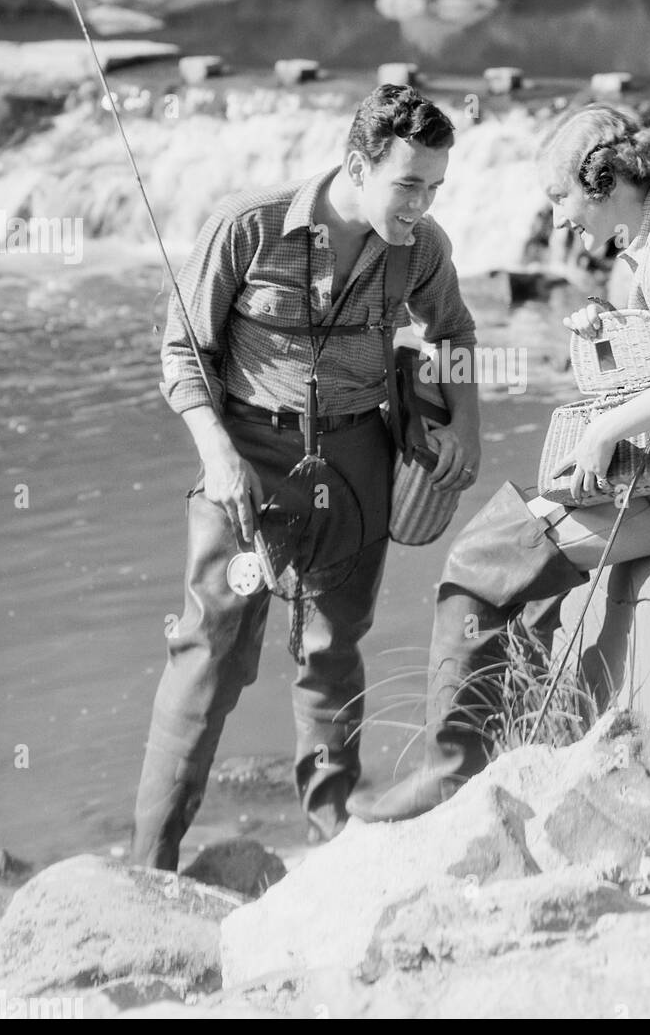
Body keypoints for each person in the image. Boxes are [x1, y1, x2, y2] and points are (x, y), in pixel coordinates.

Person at [349, 102, 650, 823]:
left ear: (602, 182)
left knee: (479, 560)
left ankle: (450, 772)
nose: (558, 221)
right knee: (519, 531)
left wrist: (608, 428)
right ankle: (519, 732)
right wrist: (615, 331)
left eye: (560, 200)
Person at [130, 85, 480, 867]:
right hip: (247, 457)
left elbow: (452, 327)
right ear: (357, 165)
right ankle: (147, 867)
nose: (421, 204)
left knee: (333, 651)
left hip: (361, 455)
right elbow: (181, 354)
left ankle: (330, 850)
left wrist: (466, 420)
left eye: (434, 187)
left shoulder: (419, 247)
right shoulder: (247, 226)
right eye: (408, 184)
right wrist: (215, 455)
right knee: (208, 654)